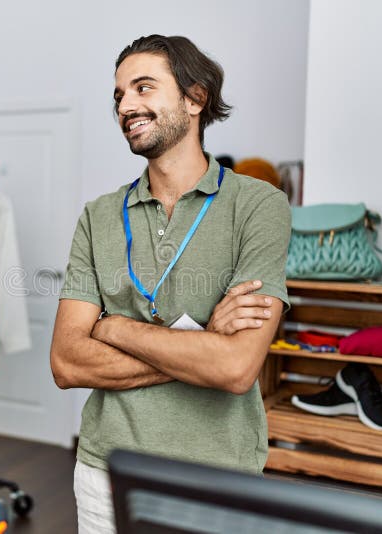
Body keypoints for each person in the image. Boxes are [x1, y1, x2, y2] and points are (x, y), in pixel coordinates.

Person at [50, 34, 291, 533]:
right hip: (103, 473)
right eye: (118, 96)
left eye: (143, 88)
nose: (126, 106)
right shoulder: (98, 216)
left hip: (218, 475)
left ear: (195, 98)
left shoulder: (258, 205)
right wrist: (203, 344)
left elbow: (237, 368)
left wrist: (112, 327)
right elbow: (67, 361)